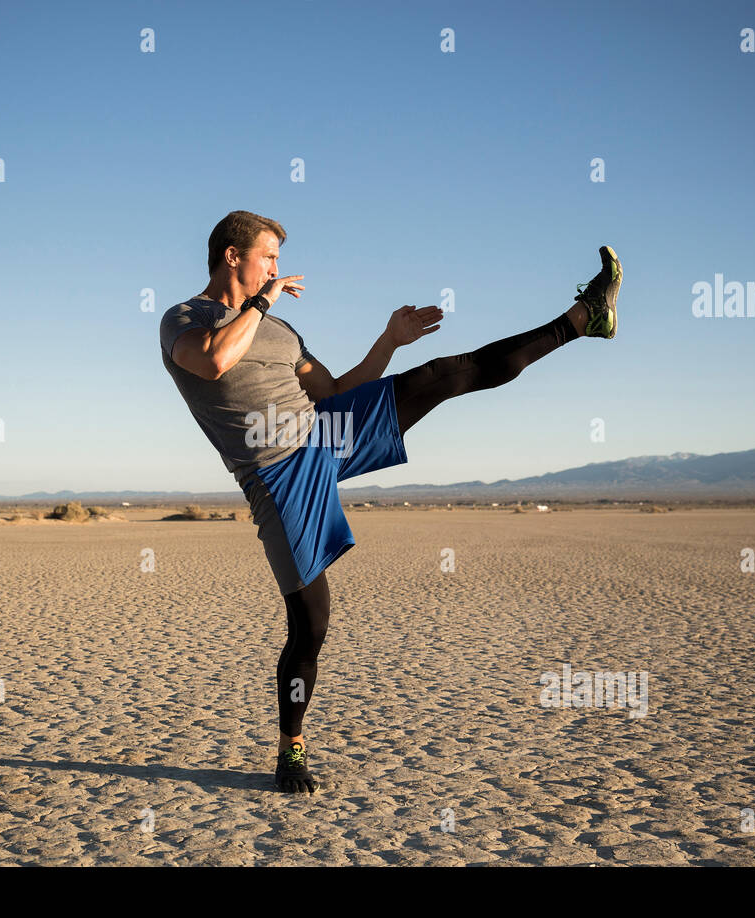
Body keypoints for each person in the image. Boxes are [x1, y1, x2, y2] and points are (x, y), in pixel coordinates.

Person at [159, 210, 621, 794]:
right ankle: (291, 748)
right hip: (276, 473)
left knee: (447, 373)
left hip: (324, 429)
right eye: (268, 257)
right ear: (232, 256)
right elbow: (213, 361)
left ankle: (582, 319)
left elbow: (333, 390)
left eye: (277, 259)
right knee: (311, 625)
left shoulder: (281, 333)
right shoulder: (186, 318)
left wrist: (389, 341)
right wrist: (261, 304)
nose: (277, 269)